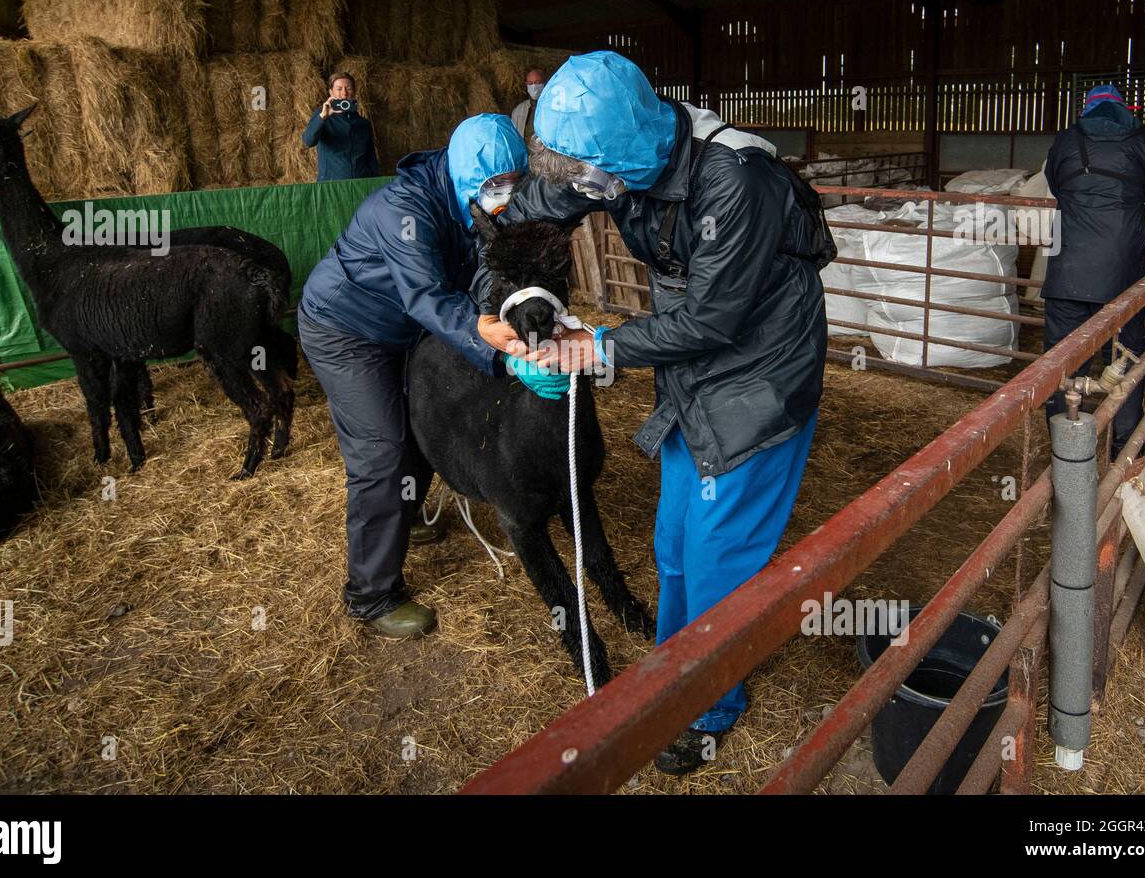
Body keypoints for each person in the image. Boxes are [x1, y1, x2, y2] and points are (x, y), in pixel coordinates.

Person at [475, 51, 830, 775]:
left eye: (588, 171)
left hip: (759, 369)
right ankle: (678, 672)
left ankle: (712, 704)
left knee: (716, 558)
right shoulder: (620, 160)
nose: (585, 188)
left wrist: (597, 347)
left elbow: (715, 317)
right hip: (691, 369)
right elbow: (534, 211)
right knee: (673, 543)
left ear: (624, 147)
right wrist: (484, 227)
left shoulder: (736, 179)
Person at [297, 114, 562, 639]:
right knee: (382, 449)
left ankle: (407, 517)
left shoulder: (472, 201)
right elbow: (425, 296)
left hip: (402, 325)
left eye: (514, 183)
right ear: (467, 176)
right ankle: (371, 596)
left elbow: (483, 270)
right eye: (495, 186)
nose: (505, 197)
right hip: (347, 328)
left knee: (417, 421)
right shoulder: (405, 210)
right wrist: (485, 336)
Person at [1043, 84, 1145, 458]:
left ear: (1087, 108)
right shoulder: (1141, 139)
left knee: (1062, 360)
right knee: (1125, 356)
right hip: (1122, 274)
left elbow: (1057, 185)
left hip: (1067, 271)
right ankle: (1123, 446)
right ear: (1122, 107)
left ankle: (1063, 444)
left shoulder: (1067, 139)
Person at [302, 73, 380, 181]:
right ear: (331, 92)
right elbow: (308, 141)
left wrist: (375, 182)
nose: (344, 94)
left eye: (348, 88)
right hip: (332, 186)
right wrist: (322, 117)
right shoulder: (323, 117)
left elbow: (371, 158)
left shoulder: (363, 123)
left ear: (354, 92)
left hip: (361, 183)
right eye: (339, 89)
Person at [509, 68, 545, 142]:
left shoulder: (553, 107)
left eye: (537, 82)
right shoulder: (518, 111)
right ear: (526, 85)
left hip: (546, 152)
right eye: (530, 83)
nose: (534, 86)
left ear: (544, 83)